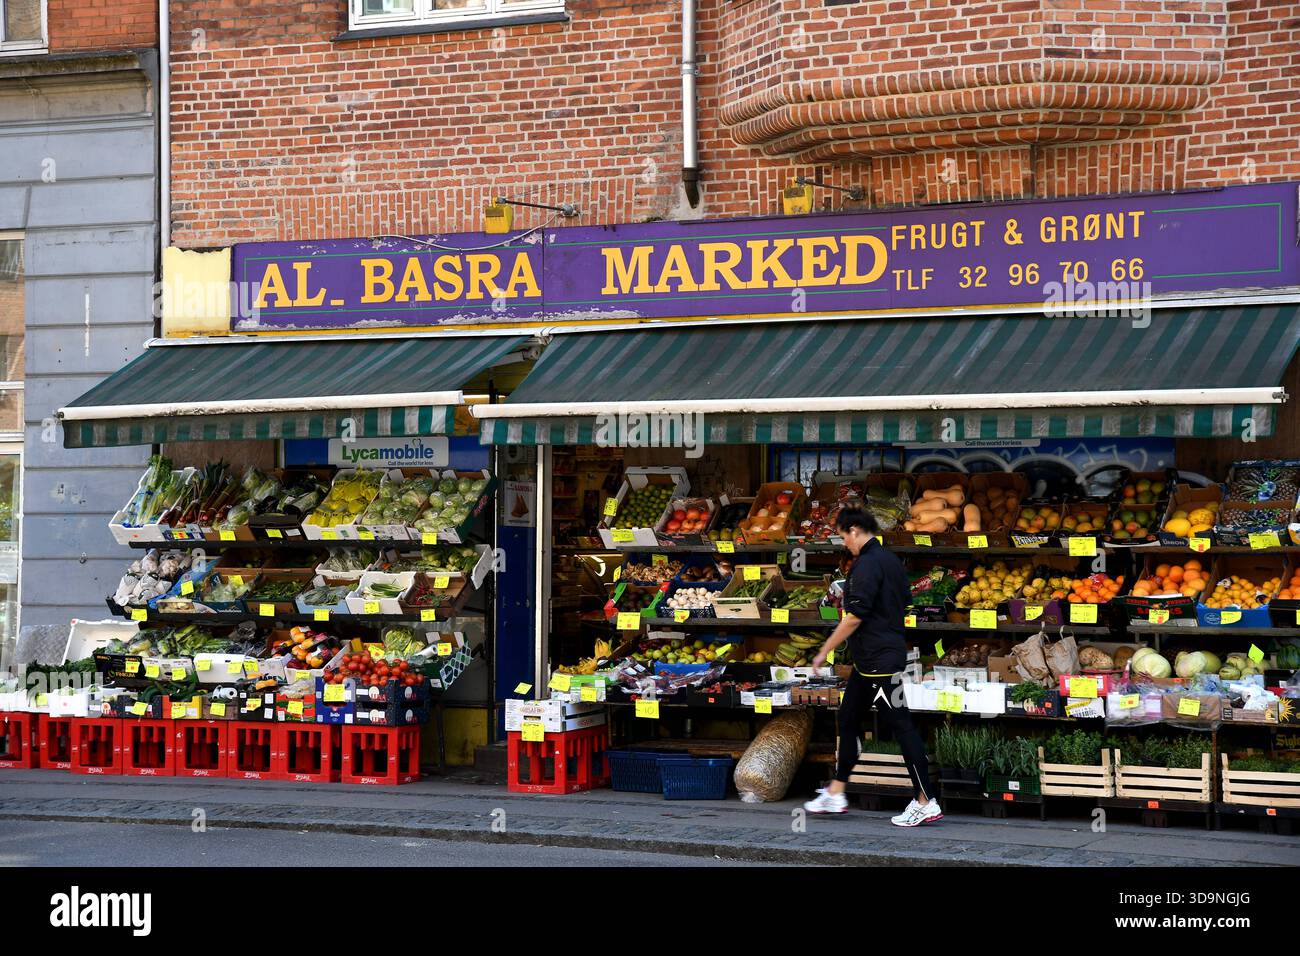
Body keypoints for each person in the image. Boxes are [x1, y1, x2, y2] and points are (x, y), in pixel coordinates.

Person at [802, 508, 942, 826]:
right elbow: (899, 601)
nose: (844, 544)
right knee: (849, 719)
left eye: (842, 536)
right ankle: (836, 791)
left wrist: (824, 650)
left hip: (880, 663)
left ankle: (925, 800)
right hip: (871, 663)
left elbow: (854, 617)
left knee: (902, 727)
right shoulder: (891, 560)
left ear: (853, 530)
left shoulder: (866, 564)